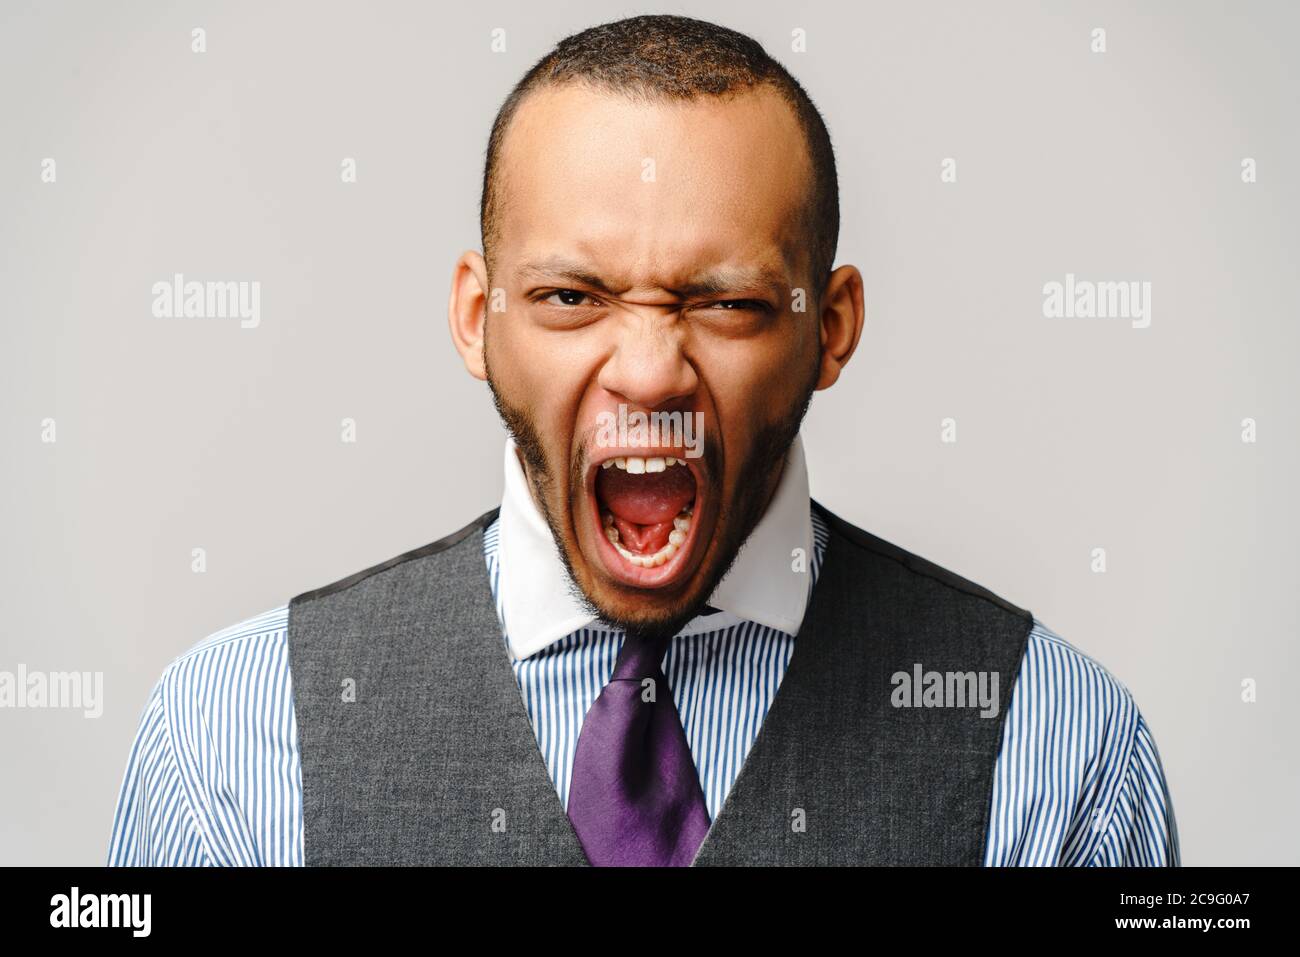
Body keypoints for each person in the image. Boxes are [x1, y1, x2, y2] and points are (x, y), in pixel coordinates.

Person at [109, 14, 1178, 866]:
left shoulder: (1059, 748)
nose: (649, 368)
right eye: (572, 296)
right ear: (477, 319)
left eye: (726, 303)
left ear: (831, 327)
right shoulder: (230, 747)